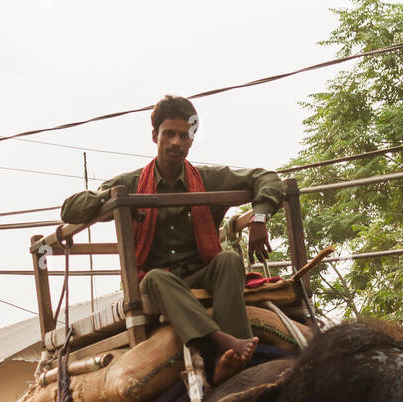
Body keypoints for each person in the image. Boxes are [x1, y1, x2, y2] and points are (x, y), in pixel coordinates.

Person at [60, 94, 284, 385]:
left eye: (184, 135)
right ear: (155, 136)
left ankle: (236, 358)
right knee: (155, 277)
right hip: (157, 282)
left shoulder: (207, 178)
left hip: (200, 274)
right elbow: (70, 209)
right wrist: (109, 199)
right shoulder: (131, 183)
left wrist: (260, 218)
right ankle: (221, 341)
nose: (176, 142)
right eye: (169, 134)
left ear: (192, 140)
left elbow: (265, 176)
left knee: (228, 259)